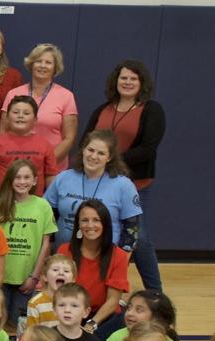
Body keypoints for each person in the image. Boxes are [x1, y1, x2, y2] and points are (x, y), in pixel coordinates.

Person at [82, 60, 166, 293]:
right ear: (115, 81)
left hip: (135, 184)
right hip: (99, 183)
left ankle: (155, 293)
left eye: (133, 78)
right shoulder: (103, 109)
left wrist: (110, 162)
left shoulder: (151, 109)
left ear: (142, 83)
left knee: (140, 238)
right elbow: (85, 142)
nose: (127, 82)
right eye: (123, 78)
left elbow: (148, 149)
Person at [0, 161, 57, 324]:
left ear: (35, 181)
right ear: (10, 180)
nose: (22, 182)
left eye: (26, 177)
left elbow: (45, 244)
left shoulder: (43, 206)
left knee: (19, 324)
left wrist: (35, 276)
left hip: (27, 279)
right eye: (17, 177)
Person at [44, 131, 142, 250]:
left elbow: (132, 229)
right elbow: (48, 217)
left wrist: (121, 261)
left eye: (101, 153)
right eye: (90, 150)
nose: (94, 156)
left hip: (105, 257)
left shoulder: (124, 185)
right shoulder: (63, 178)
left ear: (109, 158)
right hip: (63, 259)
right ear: (83, 150)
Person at [57, 200, 131, 338]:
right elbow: (57, 291)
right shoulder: (65, 251)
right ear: (78, 225)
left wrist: (91, 324)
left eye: (96, 220)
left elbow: (113, 301)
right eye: (85, 220)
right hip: (70, 312)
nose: (90, 225)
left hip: (103, 317)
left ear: (105, 224)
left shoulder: (119, 256)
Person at [3, 44, 78, 164]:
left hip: (52, 167)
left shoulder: (66, 96)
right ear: (31, 64)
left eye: (48, 62)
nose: (43, 66)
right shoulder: (13, 94)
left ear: (55, 68)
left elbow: (69, 138)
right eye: (38, 61)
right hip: (16, 167)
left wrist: (46, 163)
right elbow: (4, 132)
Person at [0, 97, 58, 195]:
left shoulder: (45, 144)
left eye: (26, 113)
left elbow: (51, 174)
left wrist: (48, 203)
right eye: (16, 112)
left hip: (34, 202)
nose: (20, 116)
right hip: (2, 201)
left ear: (35, 119)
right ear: (7, 117)